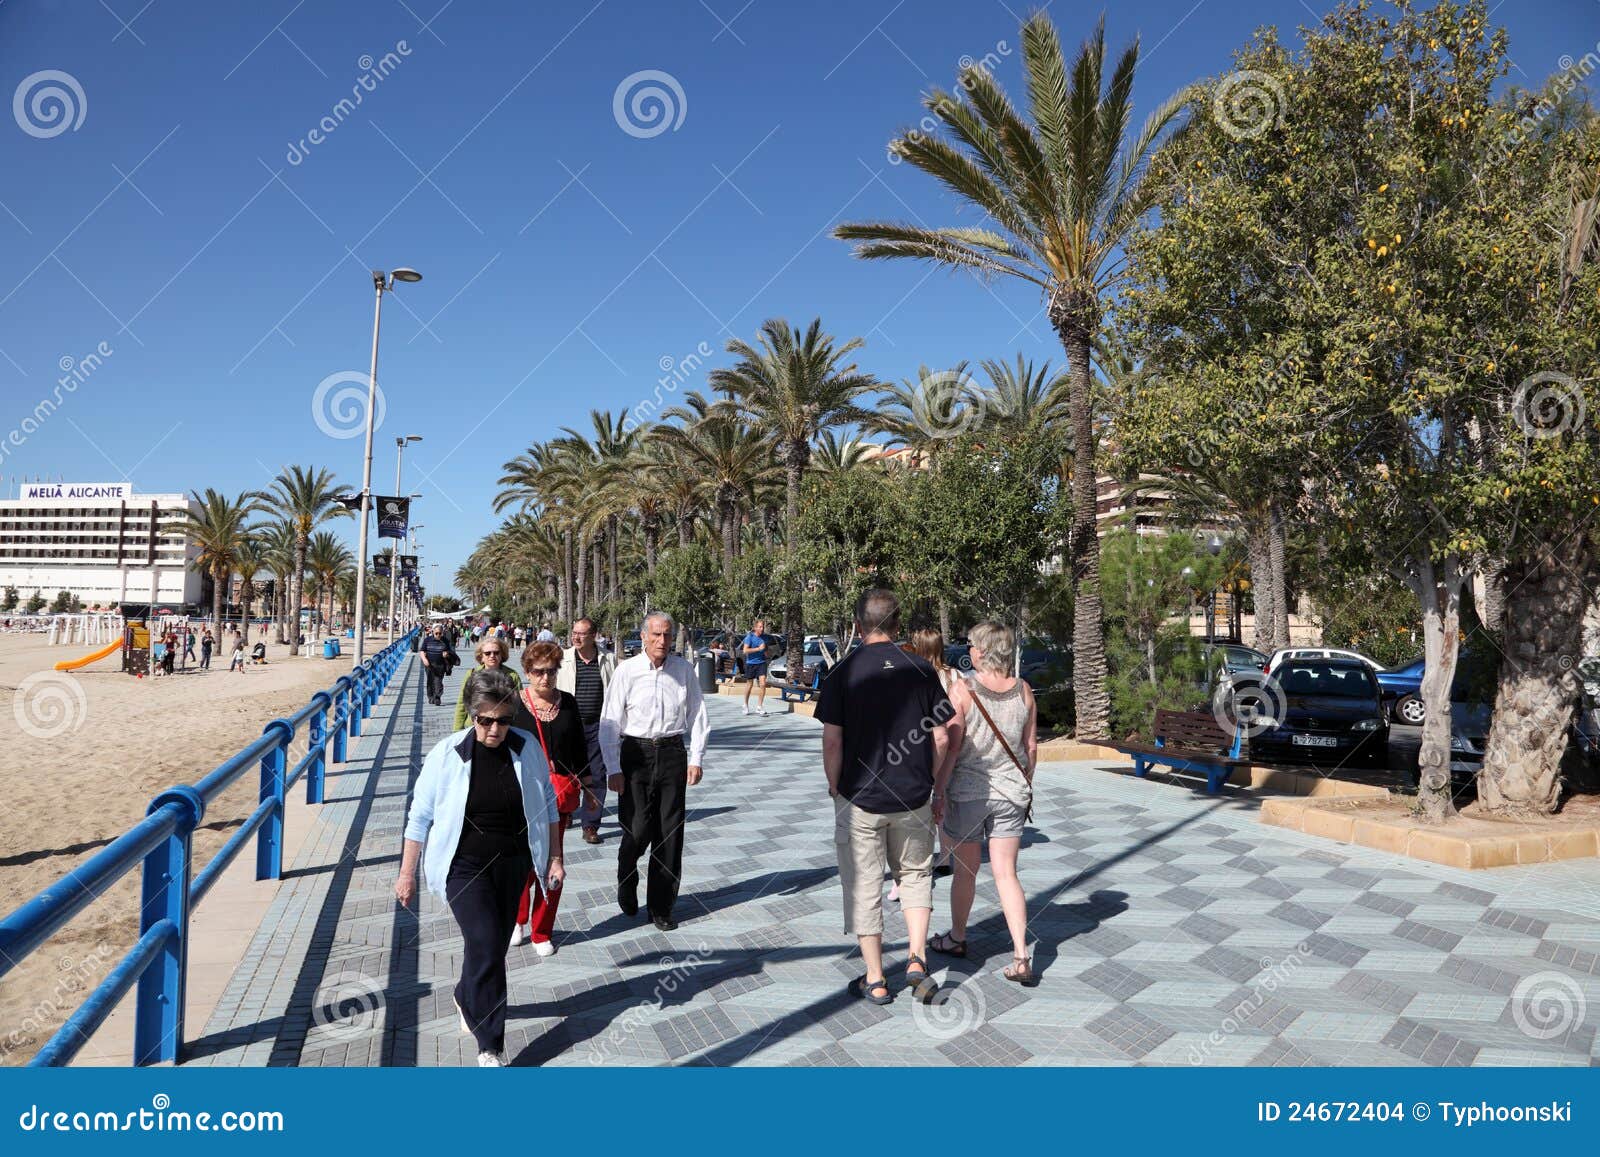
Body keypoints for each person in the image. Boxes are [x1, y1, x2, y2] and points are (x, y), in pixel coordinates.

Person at [395, 670, 561, 1066]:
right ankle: (491, 1045)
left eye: (503, 720)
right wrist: (406, 874)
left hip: (513, 862)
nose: (494, 729)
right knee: (486, 942)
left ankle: (465, 995)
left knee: (490, 949)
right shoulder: (448, 753)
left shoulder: (527, 748)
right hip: (464, 866)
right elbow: (419, 817)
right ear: (472, 716)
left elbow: (549, 806)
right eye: (485, 720)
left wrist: (555, 856)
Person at [817, 588, 951, 1006]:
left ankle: (876, 978)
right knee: (914, 876)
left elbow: (833, 740)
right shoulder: (922, 670)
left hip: (860, 798)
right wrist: (932, 780)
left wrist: (834, 785)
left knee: (864, 886)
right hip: (913, 796)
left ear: (859, 627)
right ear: (897, 626)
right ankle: (916, 958)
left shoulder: (843, 672)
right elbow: (943, 734)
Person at [929, 622, 1040, 984]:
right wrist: (1024, 783)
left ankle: (957, 937)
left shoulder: (963, 690)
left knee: (967, 872)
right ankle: (1022, 954)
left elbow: (954, 746)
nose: (970, 651)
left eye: (973, 645)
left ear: (985, 651)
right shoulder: (1024, 691)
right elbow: (1031, 748)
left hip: (968, 794)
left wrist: (939, 790)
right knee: (1007, 873)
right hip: (1011, 795)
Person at [600, 611, 708, 931]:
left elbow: (698, 715)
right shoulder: (627, 671)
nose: (663, 641)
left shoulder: (684, 670)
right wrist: (612, 768)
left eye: (668, 635)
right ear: (644, 636)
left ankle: (661, 906)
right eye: (657, 635)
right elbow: (609, 722)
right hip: (635, 753)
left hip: (672, 752)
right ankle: (626, 875)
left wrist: (696, 758)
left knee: (669, 833)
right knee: (636, 830)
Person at [508, 641, 589, 955]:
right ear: (527, 672)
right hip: (519, 798)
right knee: (521, 865)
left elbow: (580, 748)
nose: (545, 678)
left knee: (552, 863)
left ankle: (542, 932)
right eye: (538, 672)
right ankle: (516, 919)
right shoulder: (514, 704)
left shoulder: (567, 703)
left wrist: (590, 788)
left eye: (551, 671)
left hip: (557, 798)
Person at [556, 616, 616, 844]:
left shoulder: (608, 659)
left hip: (598, 726)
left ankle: (591, 824)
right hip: (569, 725)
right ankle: (567, 810)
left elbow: (616, 691)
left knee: (597, 776)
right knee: (568, 773)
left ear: (594, 636)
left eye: (582, 633)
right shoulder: (564, 659)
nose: (576, 637)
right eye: (574, 632)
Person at [906, 628, 958, 883]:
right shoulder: (955, 675)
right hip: (952, 746)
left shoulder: (917, 675)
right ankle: (946, 856)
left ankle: (921, 855)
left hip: (923, 745)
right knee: (942, 801)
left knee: (920, 805)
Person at [453, 637, 523, 730]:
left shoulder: (512, 675)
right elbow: (462, 704)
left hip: (502, 726)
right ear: (481, 656)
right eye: (487, 653)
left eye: (496, 652)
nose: (492, 656)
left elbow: (519, 705)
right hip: (475, 726)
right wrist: (457, 730)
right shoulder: (472, 674)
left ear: (502, 654)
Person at [740, 618, 771, 716]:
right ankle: (745, 704)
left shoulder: (764, 638)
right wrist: (758, 648)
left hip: (761, 663)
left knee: (762, 684)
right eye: (760, 627)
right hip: (751, 664)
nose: (762, 629)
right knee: (749, 685)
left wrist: (766, 650)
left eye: (763, 627)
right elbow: (745, 651)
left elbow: (767, 654)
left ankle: (759, 707)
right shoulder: (749, 637)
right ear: (755, 627)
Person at [420, 624, 452, 706]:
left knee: (438, 682)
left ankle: (437, 697)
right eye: (436, 633)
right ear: (433, 632)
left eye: (440, 633)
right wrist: (424, 659)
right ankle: (431, 697)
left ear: (442, 633)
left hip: (440, 665)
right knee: (430, 681)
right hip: (429, 665)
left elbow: (450, 652)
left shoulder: (445, 641)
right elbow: (422, 651)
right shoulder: (427, 640)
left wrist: (447, 654)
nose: (438, 635)